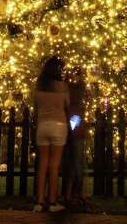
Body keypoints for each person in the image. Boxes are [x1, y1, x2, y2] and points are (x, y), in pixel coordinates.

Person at [33, 56, 69, 213]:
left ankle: (39, 202)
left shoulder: (39, 87)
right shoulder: (62, 87)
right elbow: (67, 105)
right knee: (54, 166)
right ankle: (53, 202)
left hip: (42, 126)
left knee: (43, 165)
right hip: (59, 125)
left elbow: (35, 106)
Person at [60, 79, 90, 207]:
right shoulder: (76, 106)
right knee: (76, 164)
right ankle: (75, 194)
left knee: (72, 165)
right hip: (75, 135)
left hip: (72, 134)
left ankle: (70, 194)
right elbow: (74, 123)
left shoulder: (72, 102)